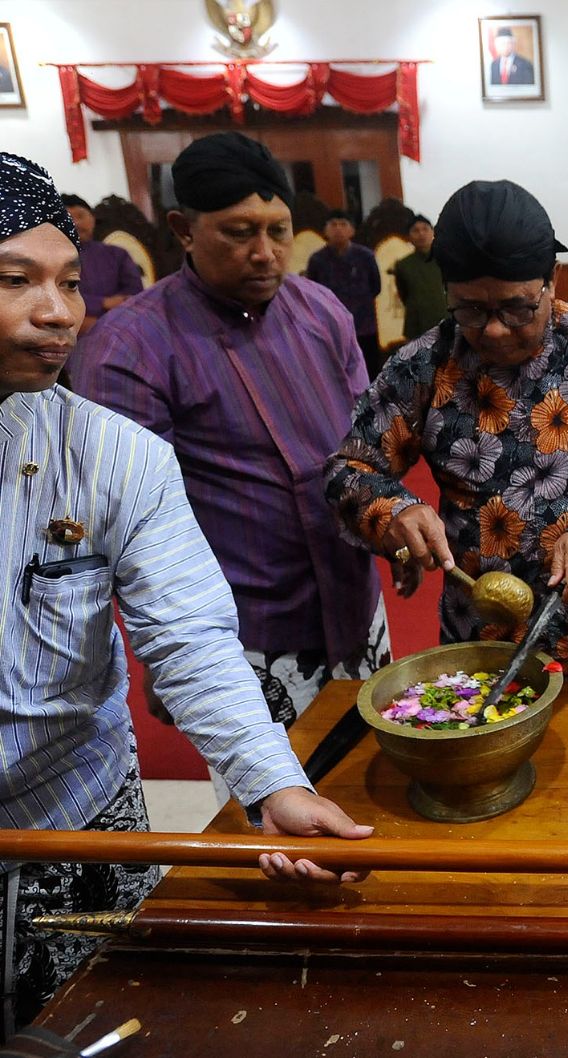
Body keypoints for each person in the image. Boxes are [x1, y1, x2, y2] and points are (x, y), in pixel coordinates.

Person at [0, 152, 372, 1034]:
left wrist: (273, 784)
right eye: (16, 281)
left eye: (66, 281)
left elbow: (191, 635)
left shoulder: (114, 455)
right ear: (185, 233)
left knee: (98, 1023)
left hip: (75, 823)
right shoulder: (138, 345)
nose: (56, 313)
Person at [72, 133, 386, 730]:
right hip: (246, 637)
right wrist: (169, 659)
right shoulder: (128, 348)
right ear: (184, 229)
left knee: (377, 784)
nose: (266, 253)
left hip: (354, 604)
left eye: (279, 229)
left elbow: (362, 449)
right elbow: (128, 533)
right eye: (240, 233)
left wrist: (386, 516)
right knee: (273, 814)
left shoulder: (322, 312)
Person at [327, 179, 568, 676]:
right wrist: (394, 511)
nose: (494, 329)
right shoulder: (423, 365)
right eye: (472, 310)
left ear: (553, 280)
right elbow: (348, 469)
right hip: (477, 640)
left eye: (517, 307)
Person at [305, 209, 383, 376]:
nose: (338, 229)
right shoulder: (317, 260)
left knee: (369, 372)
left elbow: (376, 288)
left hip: (364, 325)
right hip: (330, 328)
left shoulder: (366, 256)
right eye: (333, 225)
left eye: (343, 224)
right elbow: (312, 293)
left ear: (352, 230)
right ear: (325, 230)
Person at [59, 193, 144, 335]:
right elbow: (61, 296)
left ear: (92, 218)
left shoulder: (117, 254)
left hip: (123, 324)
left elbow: (135, 292)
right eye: (68, 218)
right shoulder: (53, 259)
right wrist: (103, 303)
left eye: (81, 216)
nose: (76, 224)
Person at [392, 213, 446, 343]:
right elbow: (404, 294)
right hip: (417, 323)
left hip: (445, 319)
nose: (421, 234)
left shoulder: (446, 258)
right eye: (415, 231)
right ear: (409, 237)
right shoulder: (403, 265)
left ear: (433, 232)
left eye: (425, 229)